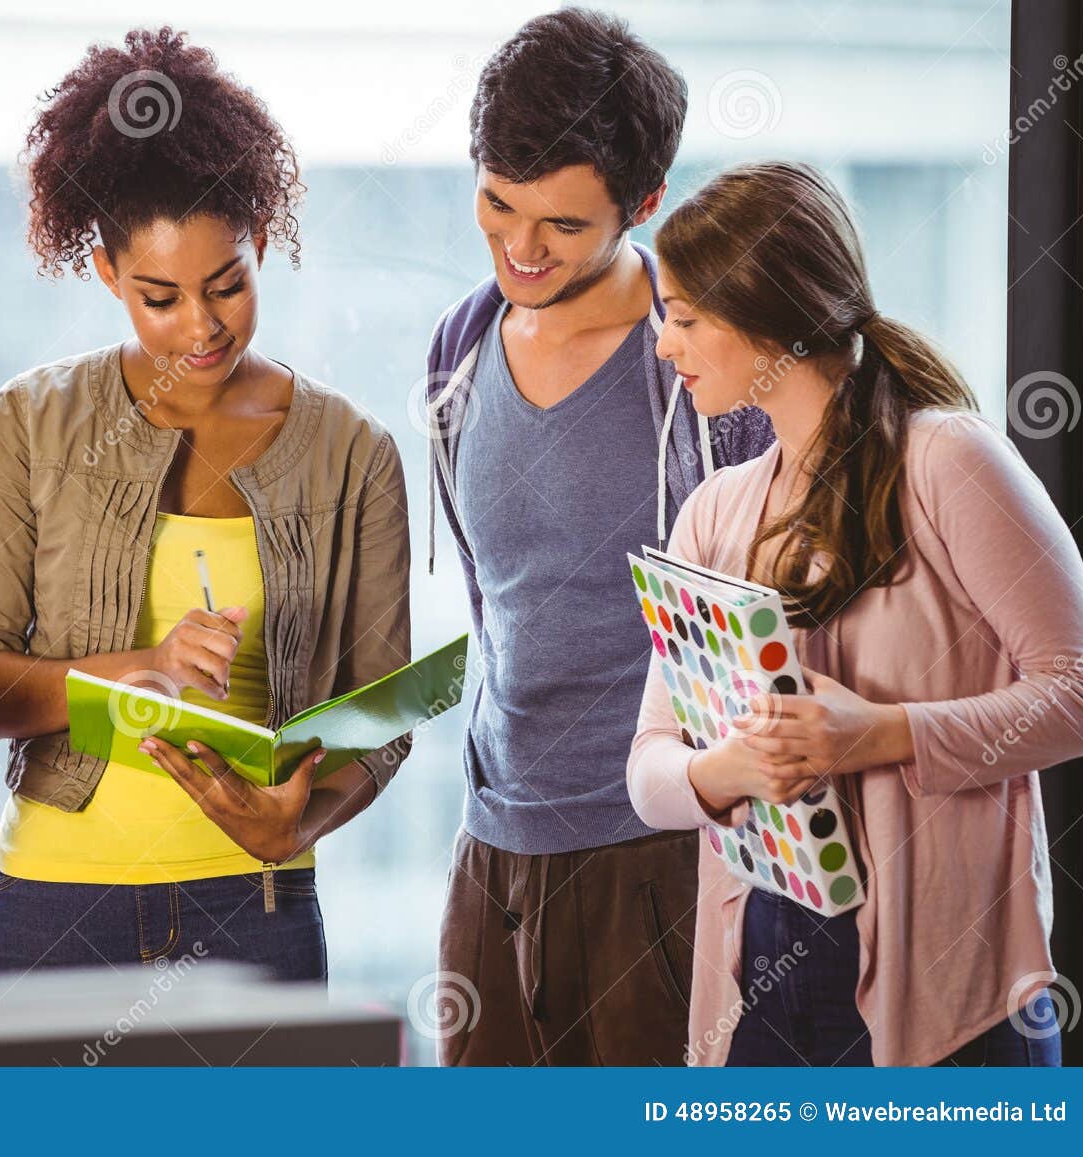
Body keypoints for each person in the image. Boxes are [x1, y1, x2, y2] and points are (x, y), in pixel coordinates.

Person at [0, 27, 411, 983]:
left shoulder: (353, 450)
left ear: (261, 244)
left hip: (259, 906)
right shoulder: (31, 423)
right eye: (160, 297)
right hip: (52, 909)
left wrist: (298, 820)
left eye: (228, 284)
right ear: (106, 272)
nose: (201, 326)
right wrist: (140, 669)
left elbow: (383, 711)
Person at [629, 159, 1083, 1066]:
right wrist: (732, 767)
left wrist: (874, 734)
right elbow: (649, 770)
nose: (664, 345)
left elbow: (1080, 691)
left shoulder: (949, 463)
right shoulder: (713, 512)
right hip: (759, 967)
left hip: (952, 997)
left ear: (766, 316)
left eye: (683, 318)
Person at [423, 6, 774, 1064]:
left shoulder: (708, 365)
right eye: (496, 204)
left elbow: (782, 601)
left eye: (562, 226)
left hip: (660, 852)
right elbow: (498, 596)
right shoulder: (460, 343)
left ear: (645, 205)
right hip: (491, 846)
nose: (519, 250)